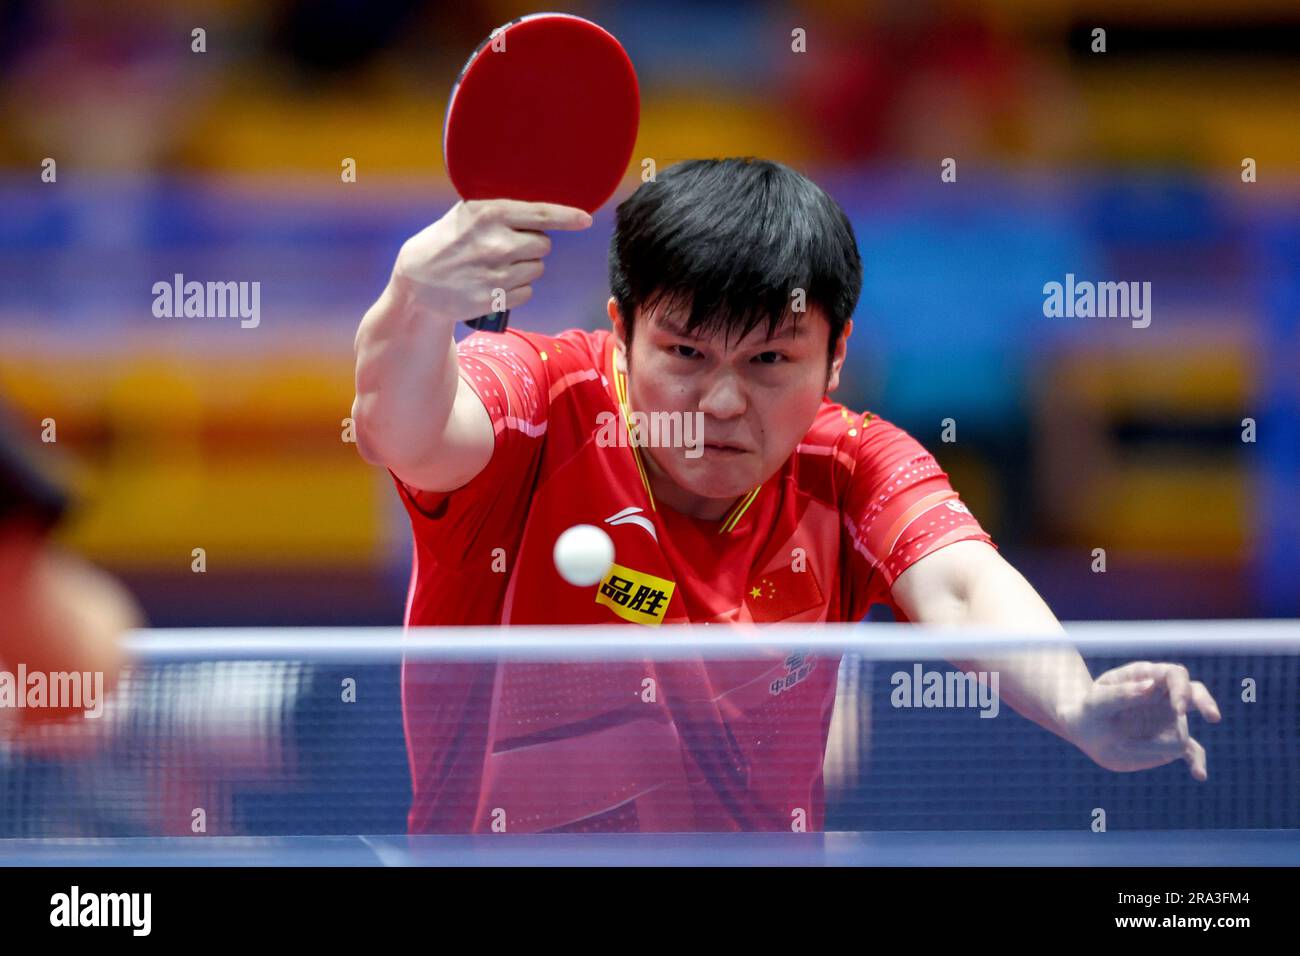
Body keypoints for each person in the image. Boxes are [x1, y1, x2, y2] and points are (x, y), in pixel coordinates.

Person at [352, 158, 1220, 834]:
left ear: (836, 356)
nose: (724, 402)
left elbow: (961, 585)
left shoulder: (848, 463)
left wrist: (1075, 703)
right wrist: (410, 304)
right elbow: (405, 432)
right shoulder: (544, 397)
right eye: (686, 354)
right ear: (621, 330)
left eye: (770, 360)